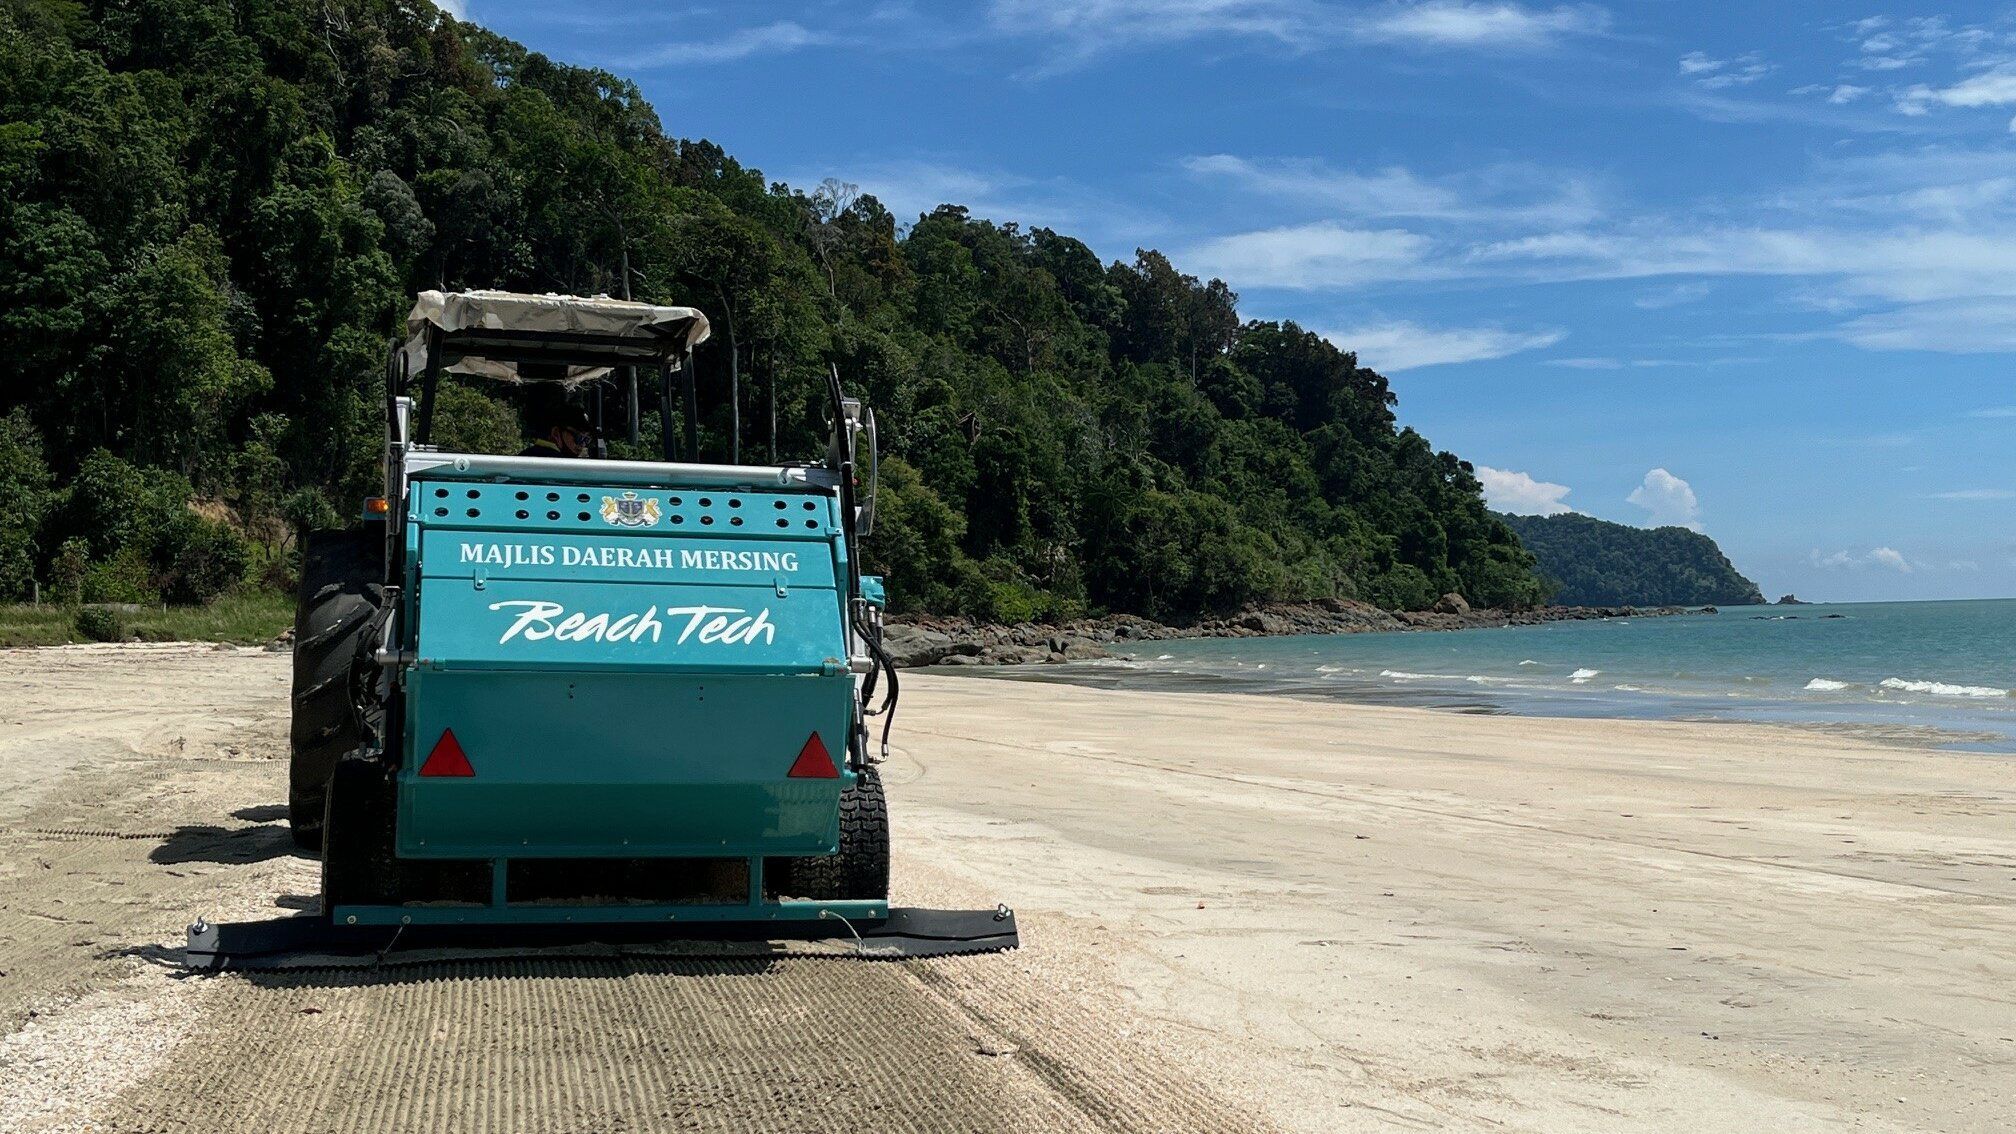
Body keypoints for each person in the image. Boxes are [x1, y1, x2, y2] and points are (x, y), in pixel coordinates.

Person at [519, 403, 592, 458]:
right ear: (555, 433)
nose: (582, 445)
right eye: (579, 438)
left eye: (586, 440)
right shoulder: (564, 465)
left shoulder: (521, 456)